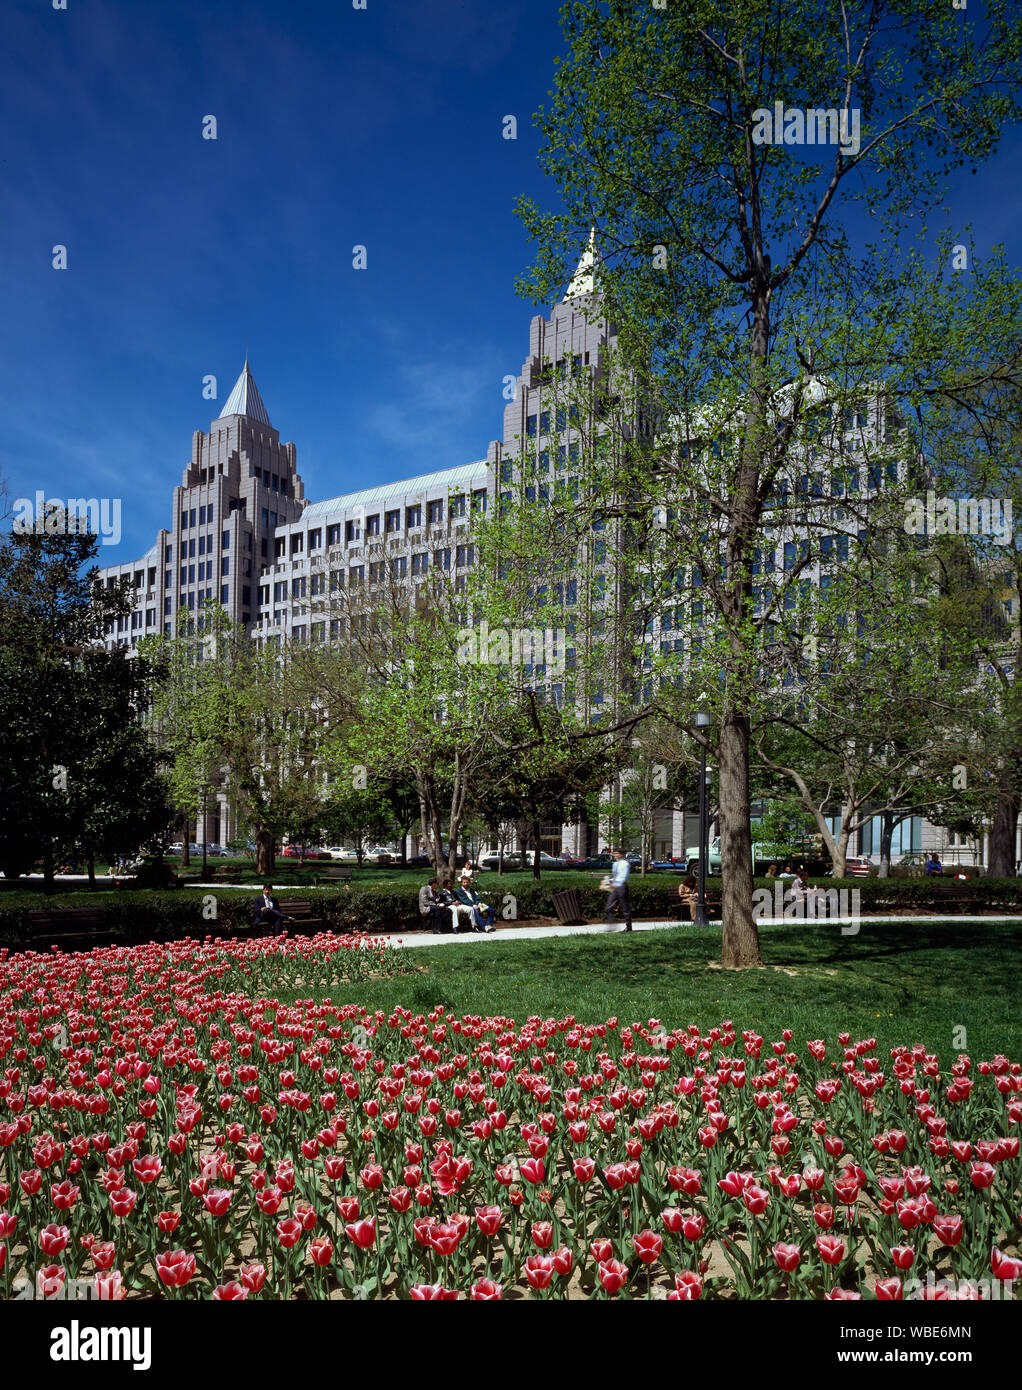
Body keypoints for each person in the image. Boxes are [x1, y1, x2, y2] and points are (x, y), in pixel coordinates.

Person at [605, 847, 633, 931]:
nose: (615, 855)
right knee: (609, 907)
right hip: (615, 887)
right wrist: (608, 881)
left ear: (622, 854)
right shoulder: (615, 864)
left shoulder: (625, 864)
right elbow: (615, 876)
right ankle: (611, 925)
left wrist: (617, 884)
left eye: (617, 853)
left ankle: (628, 927)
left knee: (625, 907)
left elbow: (623, 876)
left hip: (621, 887)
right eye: (615, 853)